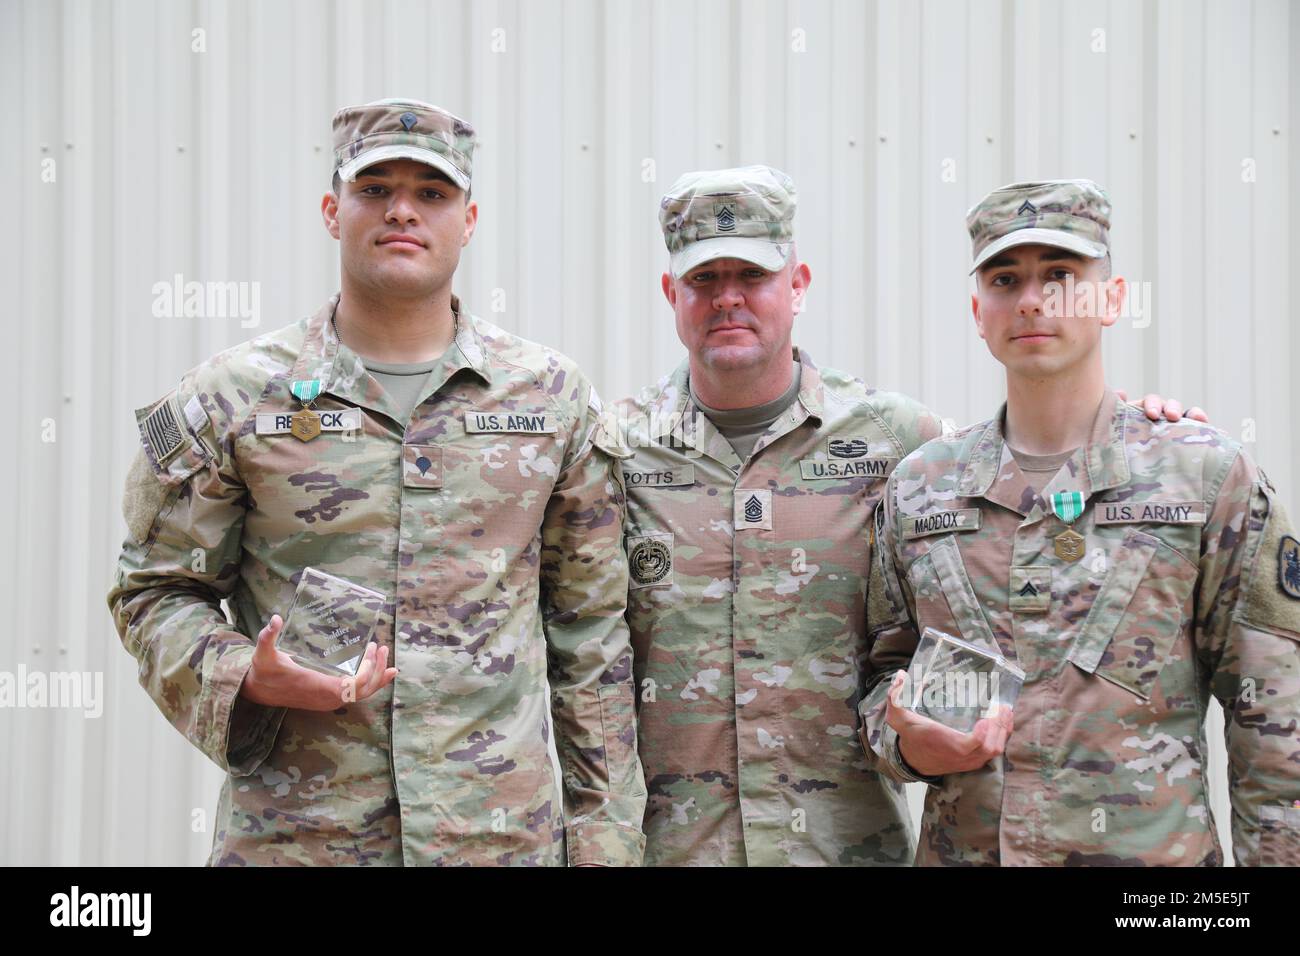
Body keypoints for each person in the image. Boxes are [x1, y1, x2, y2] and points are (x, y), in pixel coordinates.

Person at [107, 98, 646, 866]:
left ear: (470, 219)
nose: (402, 211)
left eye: (431, 193)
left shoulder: (547, 396)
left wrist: (605, 843)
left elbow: (590, 632)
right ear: (333, 210)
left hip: (495, 842)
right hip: (298, 840)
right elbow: (153, 591)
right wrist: (242, 674)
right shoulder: (233, 396)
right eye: (374, 190)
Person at [614, 166, 1196, 865]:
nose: (728, 298)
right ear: (671, 294)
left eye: (753, 276)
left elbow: (1022, 484)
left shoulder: (898, 444)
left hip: (845, 850)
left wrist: (1137, 431)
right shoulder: (611, 449)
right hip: (667, 850)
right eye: (704, 279)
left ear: (797, 285)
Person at [862, 179, 1300, 865]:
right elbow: (879, 678)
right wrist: (907, 745)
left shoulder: (1205, 476)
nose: (1033, 299)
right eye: (1006, 279)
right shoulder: (922, 489)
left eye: (1062, 275)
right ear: (979, 311)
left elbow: (1276, 726)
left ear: (1112, 299)